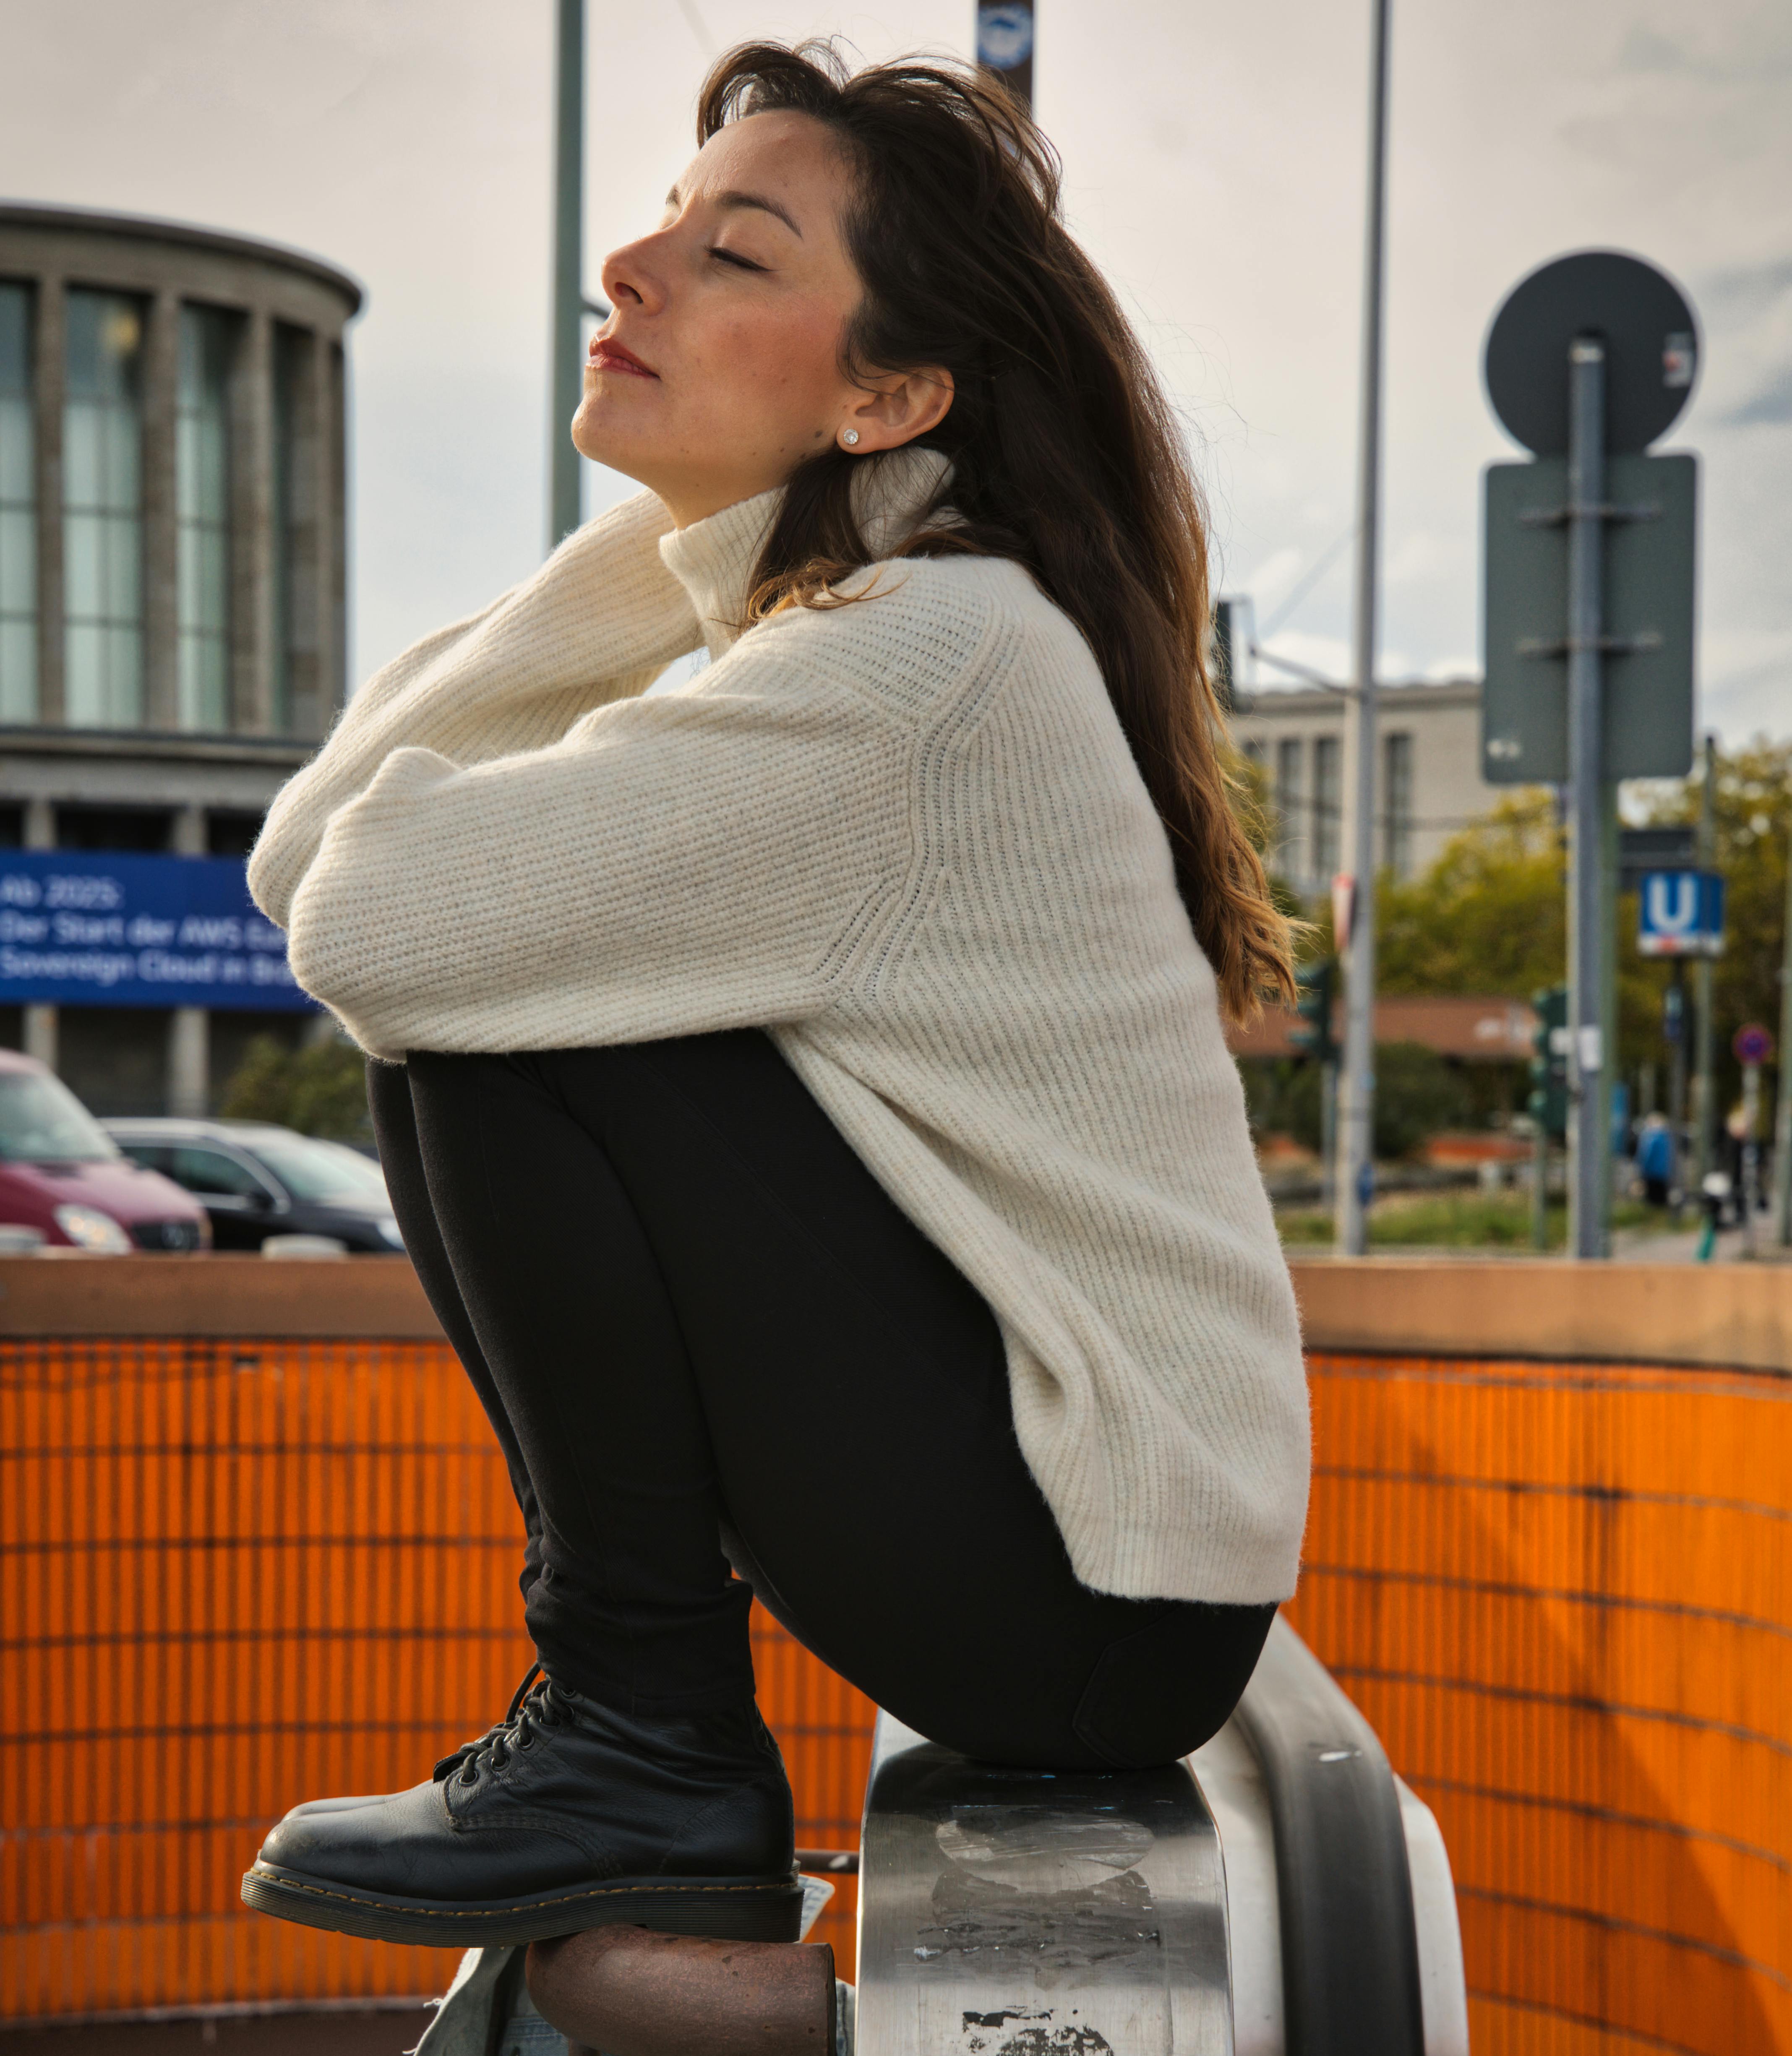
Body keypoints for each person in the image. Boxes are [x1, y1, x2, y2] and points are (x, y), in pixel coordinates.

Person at [239, 42, 1311, 1956]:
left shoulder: (923, 658)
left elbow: (373, 924)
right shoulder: (872, 622)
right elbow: (308, 865)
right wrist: (685, 551)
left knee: (497, 1012)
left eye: (734, 253)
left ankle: (640, 1728)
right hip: (1086, 1570)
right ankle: (634, 1724)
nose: (630, 270)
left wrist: (693, 546)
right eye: (664, 222)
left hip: (1087, 1587)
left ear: (888, 397)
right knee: (506, 976)